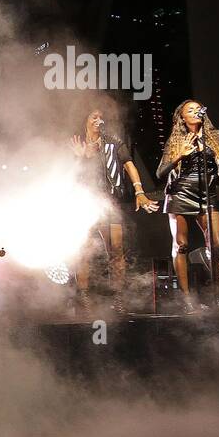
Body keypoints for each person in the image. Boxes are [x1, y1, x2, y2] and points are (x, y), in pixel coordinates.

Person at [155, 99, 219, 313]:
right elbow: (160, 173)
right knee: (182, 245)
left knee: (217, 245)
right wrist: (180, 155)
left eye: (198, 109)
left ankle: (215, 294)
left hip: (208, 193)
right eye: (190, 110)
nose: (195, 112)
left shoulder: (217, 136)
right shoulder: (176, 140)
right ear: (182, 117)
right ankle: (186, 299)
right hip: (180, 193)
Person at [69, 105, 158, 312]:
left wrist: (139, 191)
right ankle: (83, 296)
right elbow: (69, 174)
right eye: (94, 116)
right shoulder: (78, 143)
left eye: (101, 117)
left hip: (111, 202)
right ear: (86, 121)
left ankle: (118, 297)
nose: (98, 120)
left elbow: (129, 165)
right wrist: (82, 157)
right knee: (85, 250)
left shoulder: (114, 143)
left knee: (116, 250)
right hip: (87, 202)